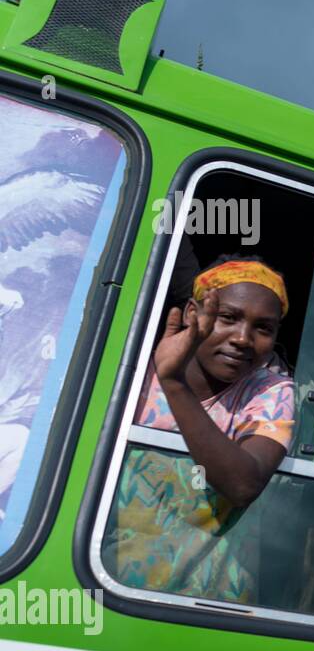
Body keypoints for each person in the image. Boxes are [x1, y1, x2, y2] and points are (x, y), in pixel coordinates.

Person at [104, 255, 295, 602]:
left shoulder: (270, 391)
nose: (243, 338)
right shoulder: (131, 369)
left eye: (263, 328)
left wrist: (173, 382)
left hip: (204, 600)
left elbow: (242, 484)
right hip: (104, 579)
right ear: (193, 314)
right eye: (229, 318)